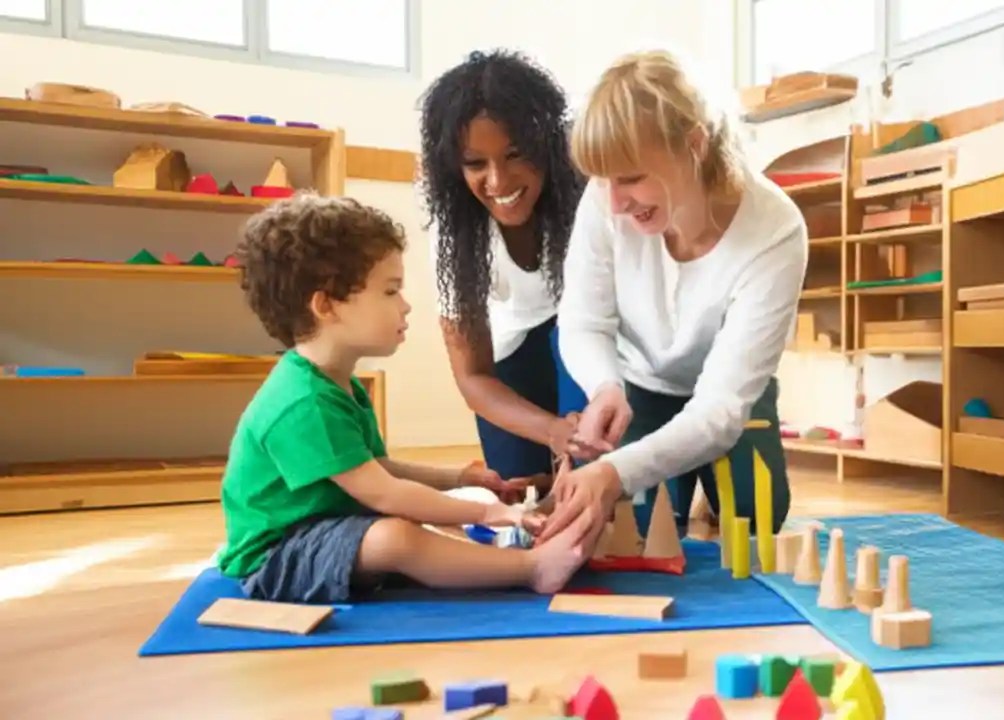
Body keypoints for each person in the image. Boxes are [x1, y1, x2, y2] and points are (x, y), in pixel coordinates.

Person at [214, 194, 586, 604]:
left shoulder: (336, 384)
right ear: (326, 306)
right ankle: (531, 570)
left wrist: (459, 479)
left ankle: (488, 559)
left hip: (326, 528)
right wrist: (486, 511)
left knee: (422, 524)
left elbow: (378, 469)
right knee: (396, 536)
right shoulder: (304, 403)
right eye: (390, 291)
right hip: (276, 558)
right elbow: (385, 493)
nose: (406, 306)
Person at [539, 50, 808, 549]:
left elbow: (721, 407)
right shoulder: (606, 199)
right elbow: (582, 320)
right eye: (604, 181)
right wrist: (604, 387)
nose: (615, 203)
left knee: (759, 514)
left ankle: (696, 475)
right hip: (638, 383)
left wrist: (617, 472)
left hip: (726, 393)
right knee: (635, 523)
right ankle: (683, 480)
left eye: (632, 178)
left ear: (695, 146)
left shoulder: (776, 230)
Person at [418, 49, 597, 485]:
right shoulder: (451, 227)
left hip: (590, 341)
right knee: (521, 488)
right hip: (512, 359)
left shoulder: (587, 185)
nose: (498, 182)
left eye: (516, 154)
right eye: (476, 163)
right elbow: (473, 376)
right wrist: (553, 431)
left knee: (601, 482)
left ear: (548, 147)